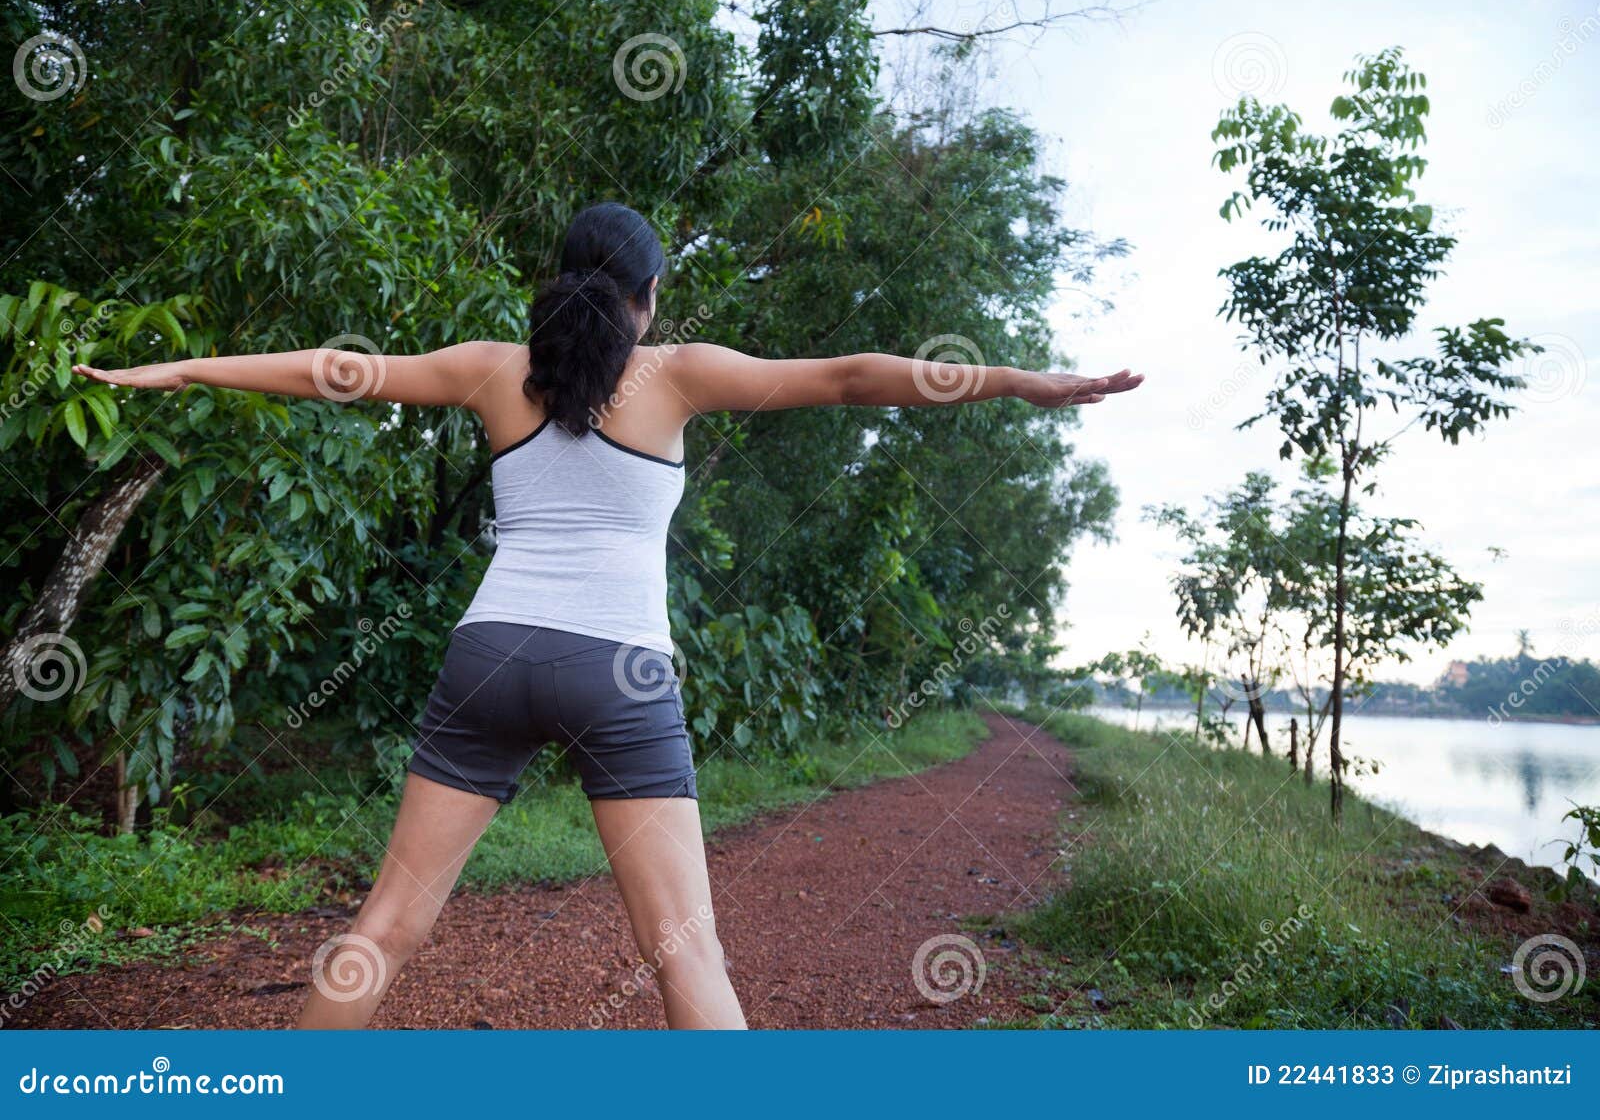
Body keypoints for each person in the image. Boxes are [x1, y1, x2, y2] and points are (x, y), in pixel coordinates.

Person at [72, 202, 1143, 1029]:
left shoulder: (492, 372)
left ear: (561, 279)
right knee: (683, 950)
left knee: (385, 927)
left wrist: (172, 368)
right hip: (620, 672)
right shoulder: (678, 375)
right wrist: (1020, 381)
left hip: (489, 655)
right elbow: (855, 375)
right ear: (649, 289)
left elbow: (331, 370)